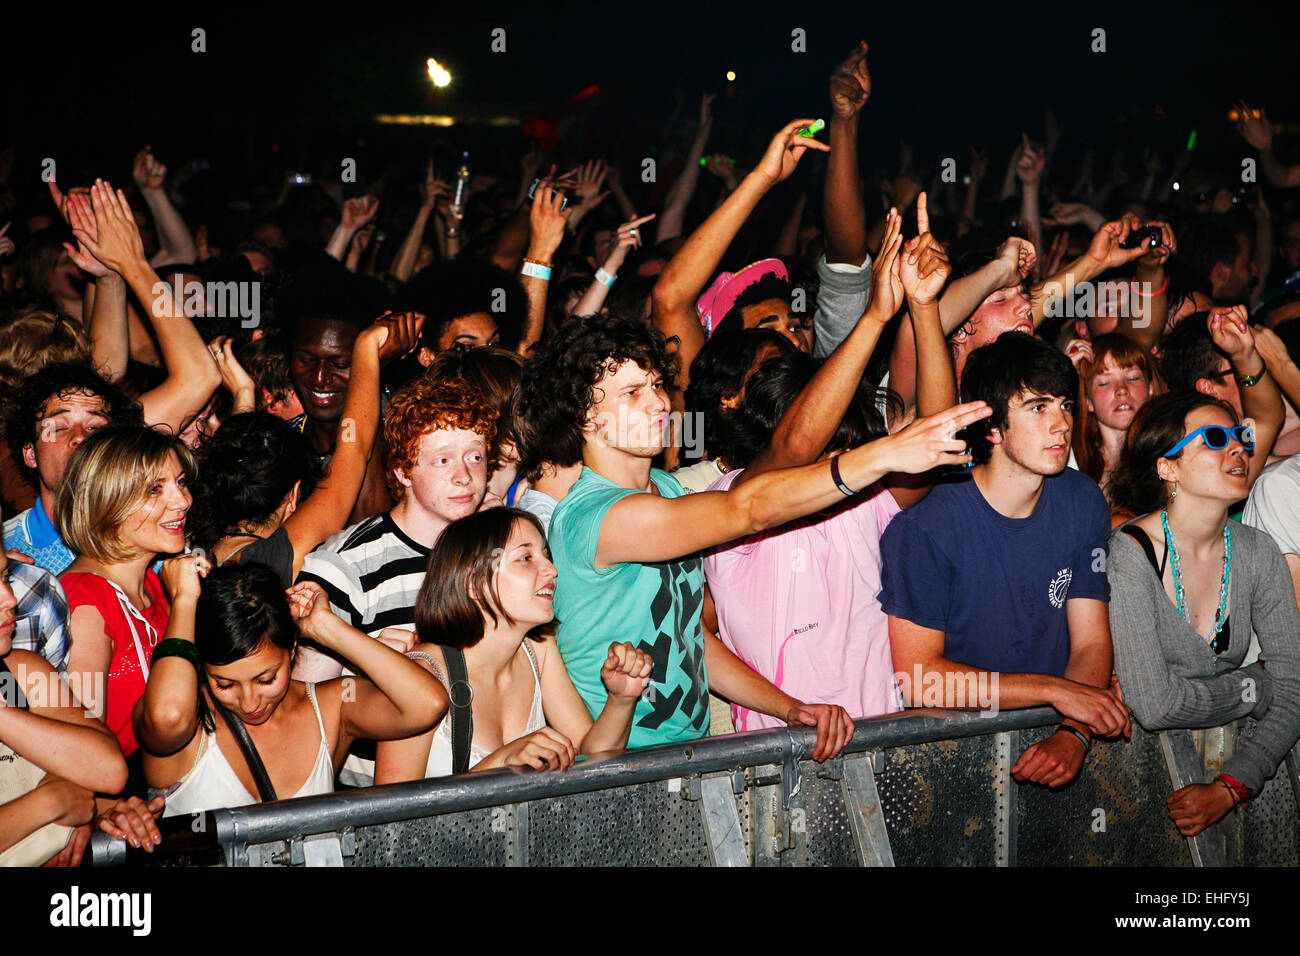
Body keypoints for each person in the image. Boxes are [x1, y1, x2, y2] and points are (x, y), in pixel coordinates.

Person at [532, 309, 990, 759]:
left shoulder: (668, 489)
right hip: (614, 766)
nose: (657, 403)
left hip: (686, 754)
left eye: (655, 385)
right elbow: (746, 509)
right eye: (631, 392)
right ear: (583, 417)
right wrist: (883, 454)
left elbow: (692, 639)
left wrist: (789, 708)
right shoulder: (596, 516)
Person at [882, 332, 1130, 788]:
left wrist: (1073, 731)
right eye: (1038, 408)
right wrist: (1057, 692)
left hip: (1052, 733)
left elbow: (1091, 642)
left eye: (1065, 406)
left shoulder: (1081, 500)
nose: (1061, 424)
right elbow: (919, 680)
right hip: (949, 756)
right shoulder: (927, 527)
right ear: (993, 428)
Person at [96, 560, 445, 838]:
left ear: (292, 650)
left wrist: (327, 627)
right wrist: (184, 602)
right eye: (225, 683)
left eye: (266, 678)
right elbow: (167, 717)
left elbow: (426, 704)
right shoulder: (188, 723)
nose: (249, 702)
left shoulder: (329, 706)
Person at [1107, 392, 1300, 837]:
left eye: (1239, 436)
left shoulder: (1257, 550)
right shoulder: (1131, 553)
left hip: (1223, 788)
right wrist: (1255, 686)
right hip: (1131, 788)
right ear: (1167, 467)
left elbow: (1293, 690)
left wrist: (1232, 786)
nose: (1237, 448)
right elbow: (1153, 706)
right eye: (1214, 438)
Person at [374, 508, 652, 781]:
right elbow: (390, 818)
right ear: (474, 583)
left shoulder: (538, 649)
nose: (552, 570)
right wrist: (500, 763)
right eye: (526, 558)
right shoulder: (422, 675)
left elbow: (592, 759)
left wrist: (621, 700)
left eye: (545, 555)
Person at [186, 312, 415, 586]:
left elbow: (237, 457)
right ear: (293, 496)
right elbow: (353, 450)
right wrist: (367, 350)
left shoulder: (198, 555)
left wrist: (244, 393)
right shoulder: (271, 561)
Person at [295, 374, 497, 681]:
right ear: (403, 471)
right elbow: (310, 710)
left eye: (475, 457)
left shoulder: (499, 549)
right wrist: (370, 662)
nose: (464, 475)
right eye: (443, 460)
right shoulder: (343, 566)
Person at [57, 425, 193, 755]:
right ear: (107, 499)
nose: (183, 501)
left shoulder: (153, 585)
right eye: (155, 490)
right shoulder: (84, 604)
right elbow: (84, 756)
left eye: (181, 483)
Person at [0, 544, 128, 867]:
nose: (10, 598)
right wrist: (50, 801)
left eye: (5, 576)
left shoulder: (19, 670)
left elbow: (110, 770)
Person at [3, 364, 144, 574]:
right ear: (31, 453)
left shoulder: (148, 534)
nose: (80, 436)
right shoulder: (7, 550)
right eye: (58, 427)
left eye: (94, 427)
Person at [1069, 332, 1163, 506]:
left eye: (1133, 378)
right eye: (1104, 382)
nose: (1122, 389)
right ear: (1087, 400)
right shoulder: (1070, 464)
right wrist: (1064, 374)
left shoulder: (1171, 456)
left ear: (1150, 389)